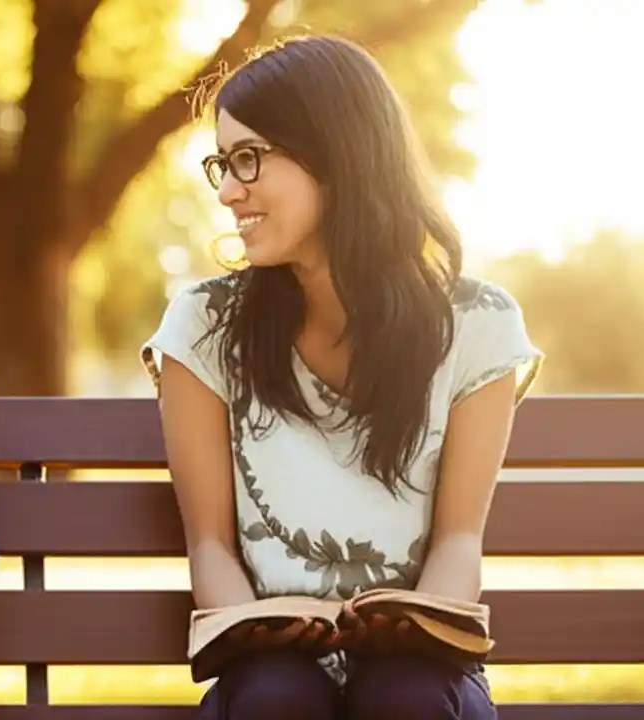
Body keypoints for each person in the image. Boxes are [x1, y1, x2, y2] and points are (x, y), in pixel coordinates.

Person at [141, 36, 542, 720]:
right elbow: (209, 543)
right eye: (223, 163)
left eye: (249, 159)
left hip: (424, 675)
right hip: (265, 675)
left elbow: (457, 541)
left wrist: (423, 629)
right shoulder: (204, 326)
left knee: (405, 693)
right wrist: (251, 635)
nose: (229, 191)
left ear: (336, 156)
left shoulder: (478, 324)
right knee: (278, 695)